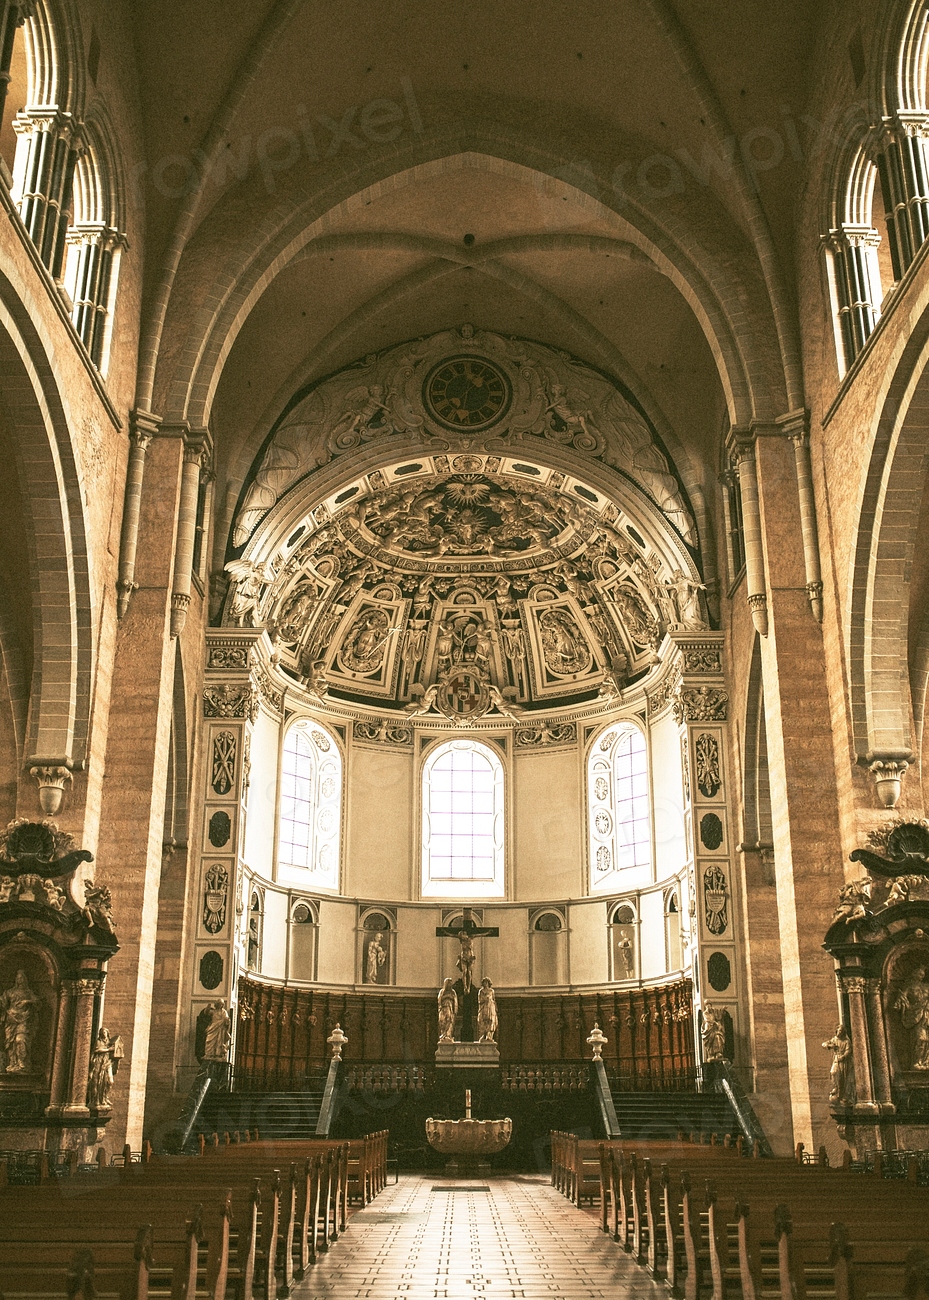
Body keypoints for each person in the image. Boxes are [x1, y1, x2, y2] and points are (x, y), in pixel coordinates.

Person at [0, 969, 38, 1073]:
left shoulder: (28, 992)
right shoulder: (9, 992)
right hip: (11, 1020)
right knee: (10, 1043)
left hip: (24, 1019)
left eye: (22, 977)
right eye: (18, 977)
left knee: (20, 1039)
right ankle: (13, 1063)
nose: (20, 979)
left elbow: (37, 1002)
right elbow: (2, 1003)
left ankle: (23, 1064)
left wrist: (27, 1001)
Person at [895, 968, 929, 1069]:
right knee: (921, 1038)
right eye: (919, 973)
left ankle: (926, 1062)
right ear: (913, 973)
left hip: (927, 1013)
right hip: (916, 1015)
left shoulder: (926, 986)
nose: (921, 976)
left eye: (922, 974)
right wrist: (899, 1003)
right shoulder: (909, 986)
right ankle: (918, 1061)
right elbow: (902, 998)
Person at [87, 1027, 124, 1109]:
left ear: (108, 1033)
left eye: (105, 1032)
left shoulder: (110, 1042)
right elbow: (97, 1050)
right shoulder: (98, 1041)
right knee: (98, 1082)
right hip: (99, 1063)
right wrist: (108, 1049)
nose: (104, 1033)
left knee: (110, 1081)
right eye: (102, 1032)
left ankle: (104, 1097)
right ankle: (97, 1100)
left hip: (107, 1063)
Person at [822, 1024, 852, 1103]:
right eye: (839, 1031)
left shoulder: (846, 1041)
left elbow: (848, 1050)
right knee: (833, 1072)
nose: (839, 1032)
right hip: (836, 1059)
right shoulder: (834, 1039)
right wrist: (830, 1046)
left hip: (843, 1060)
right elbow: (824, 1044)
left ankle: (841, 1093)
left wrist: (843, 1056)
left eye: (841, 1031)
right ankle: (835, 1087)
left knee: (842, 1077)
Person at [477, 978, 498, 1043]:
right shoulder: (481, 991)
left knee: (491, 1020)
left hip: (491, 1007)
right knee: (484, 1020)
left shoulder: (491, 991)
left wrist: (495, 1008)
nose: (485, 984)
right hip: (484, 1007)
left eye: (486, 982)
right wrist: (485, 999)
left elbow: (494, 1000)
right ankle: (484, 1034)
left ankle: (489, 1035)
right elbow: (479, 1000)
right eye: (484, 982)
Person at [437, 978, 457, 1043]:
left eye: (451, 983)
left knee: (449, 1020)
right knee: (442, 1021)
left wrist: (455, 1010)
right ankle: (443, 1034)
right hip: (443, 1008)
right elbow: (439, 999)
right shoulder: (442, 991)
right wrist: (447, 996)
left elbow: (455, 1001)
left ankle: (448, 1035)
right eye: (449, 983)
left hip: (450, 1008)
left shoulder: (453, 992)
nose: (450, 985)